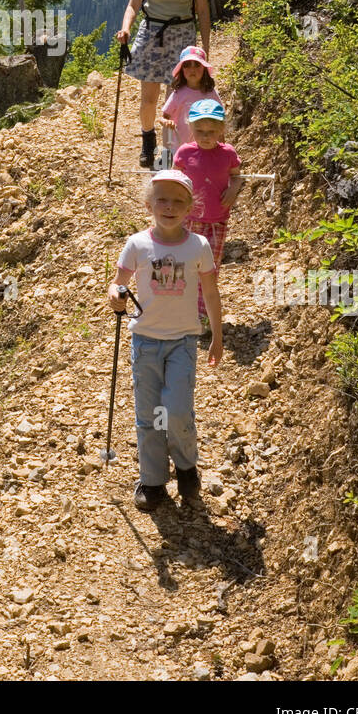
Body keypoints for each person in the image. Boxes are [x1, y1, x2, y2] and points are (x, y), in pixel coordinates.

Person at [109, 169, 223, 512]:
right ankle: (153, 480)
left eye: (178, 201)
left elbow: (211, 292)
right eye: (162, 199)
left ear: (191, 207)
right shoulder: (137, 243)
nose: (169, 207)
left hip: (182, 342)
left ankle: (186, 466)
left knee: (175, 410)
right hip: (144, 340)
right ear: (148, 204)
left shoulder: (198, 246)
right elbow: (117, 282)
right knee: (149, 413)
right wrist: (115, 295)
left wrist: (217, 335)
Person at [116, 0, 210, 170]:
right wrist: (125, 28)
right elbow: (134, 3)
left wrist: (205, 50)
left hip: (182, 34)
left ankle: (169, 154)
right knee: (149, 97)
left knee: (175, 100)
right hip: (152, 33)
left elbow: (202, 8)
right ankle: (148, 141)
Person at [172, 99, 242, 324]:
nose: (205, 136)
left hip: (217, 221)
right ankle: (180, 307)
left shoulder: (228, 153)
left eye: (211, 131)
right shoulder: (185, 153)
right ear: (191, 128)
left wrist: (233, 189)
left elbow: (236, 175)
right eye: (200, 131)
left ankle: (201, 315)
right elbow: (175, 179)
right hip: (188, 220)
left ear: (221, 129)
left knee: (209, 269)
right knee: (183, 263)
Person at [160, 45, 222, 157]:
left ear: (204, 69)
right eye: (187, 66)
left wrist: (222, 147)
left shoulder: (211, 93)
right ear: (182, 70)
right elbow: (164, 116)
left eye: (197, 65)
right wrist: (167, 122)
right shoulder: (178, 93)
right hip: (181, 146)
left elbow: (220, 119)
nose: (192, 70)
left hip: (207, 144)